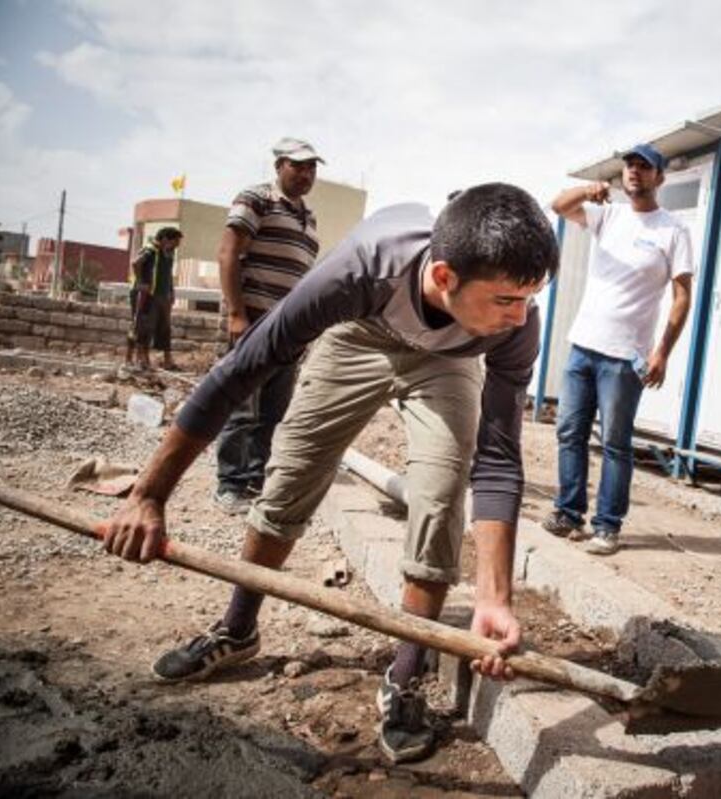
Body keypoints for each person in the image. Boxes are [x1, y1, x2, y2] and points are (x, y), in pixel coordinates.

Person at [102, 183, 559, 764]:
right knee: (292, 468)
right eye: (506, 301)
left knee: (440, 491)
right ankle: (237, 629)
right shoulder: (360, 272)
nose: (521, 317)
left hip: (450, 360)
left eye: (531, 298)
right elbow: (242, 369)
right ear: (444, 277)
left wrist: (495, 596)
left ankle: (405, 674)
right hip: (361, 333)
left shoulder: (513, 320)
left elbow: (497, 456)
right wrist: (148, 495)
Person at [541, 143, 694, 555]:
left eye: (645, 167)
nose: (634, 172)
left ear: (659, 178)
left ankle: (607, 526)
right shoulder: (608, 215)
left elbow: (682, 297)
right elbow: (557, 205)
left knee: (615, 442)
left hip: (627, 356)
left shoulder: (672, 231)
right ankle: (568, 513)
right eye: (630, 165)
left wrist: (663, 352)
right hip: (583, 347)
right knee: (569, 432)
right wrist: (588, 189)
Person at [212, 137, 322, 514]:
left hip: (288, 331)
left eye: (312, 167)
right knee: (242, 408)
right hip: (254, 322)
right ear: (279, 166)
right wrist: (236, 314)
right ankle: (230, 484)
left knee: (273, 413)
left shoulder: (310, 217)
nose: (306, 173)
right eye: (298, 165)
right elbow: (228, 253)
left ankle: (256, 482)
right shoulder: (256, 199)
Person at [125, 227, 183, 371]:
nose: (176, 246)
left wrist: (171, 291)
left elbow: (168, 273)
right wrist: (140, 283)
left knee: (164, 328)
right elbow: (136, 263)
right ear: (165, 239)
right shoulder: (150, 250)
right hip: (146, 295)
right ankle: (137, 359)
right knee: (141, 327)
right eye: (174, 242)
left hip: (161, 295)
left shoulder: (169, 252)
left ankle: (167, 361)